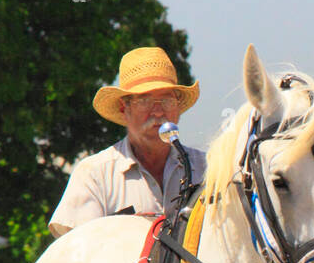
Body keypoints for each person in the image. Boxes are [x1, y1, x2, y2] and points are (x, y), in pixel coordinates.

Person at [49, 46, 205, 237]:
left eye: (166, 101)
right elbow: (78, 255)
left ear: (178, 108)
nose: (158, 112)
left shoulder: (207, 169)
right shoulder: (95, 175)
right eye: (145, 101)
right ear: (125, 108)